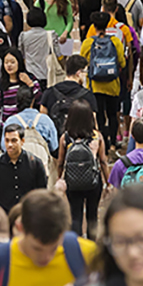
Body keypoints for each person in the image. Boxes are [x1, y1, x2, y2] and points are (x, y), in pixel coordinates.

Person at [57, 101, 108, 239]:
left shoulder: (65, 138)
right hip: (93, 181)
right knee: (92, 215)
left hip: (72, 181)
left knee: (75, 215)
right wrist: (108, 183)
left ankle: (77, 245)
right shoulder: (97, 137)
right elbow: (103, 161)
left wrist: (60, 178)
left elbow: (60, 162)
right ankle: (92, 245)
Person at [79, 11, 126, 150]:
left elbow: (82, 61)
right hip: (113, 84)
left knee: (99, 115)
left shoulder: (88, 42)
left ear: (94, 26)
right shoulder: (115, 41)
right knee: (113, 114)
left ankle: (103, 142)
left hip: (95, 85)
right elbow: (122, 62)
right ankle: (113, 142)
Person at [0, 124, 49, 212]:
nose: (10, 144)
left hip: (27, 215)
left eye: (14, 140)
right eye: (7, 140)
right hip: (3, 216)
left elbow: (43, 193)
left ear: (22, 141)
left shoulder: (35, 163)